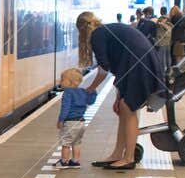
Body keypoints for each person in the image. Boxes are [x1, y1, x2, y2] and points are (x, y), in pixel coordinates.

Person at [77, 11, 160, 170]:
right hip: (137, 65)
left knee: (128, 109)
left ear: (81, 29)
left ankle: (128, 158)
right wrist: (118, 96)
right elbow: (118, 67)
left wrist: (90, 88)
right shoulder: (106, 31)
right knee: (122, 107)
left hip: (139, 67)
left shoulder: (97, 35)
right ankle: (117, 154)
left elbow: (104, 68)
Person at [55, 67, 95, 168]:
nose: (60, 81)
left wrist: (61, 120)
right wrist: (93, 92)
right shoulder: (82, 91)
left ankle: (64, 161)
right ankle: (75, 161)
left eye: (62, 79)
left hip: (70, 123)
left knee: (66, 143)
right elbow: (91, 101)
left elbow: (65, 108)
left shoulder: (68, 93)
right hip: (81, 122)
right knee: (77, 142)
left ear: (69, 82)